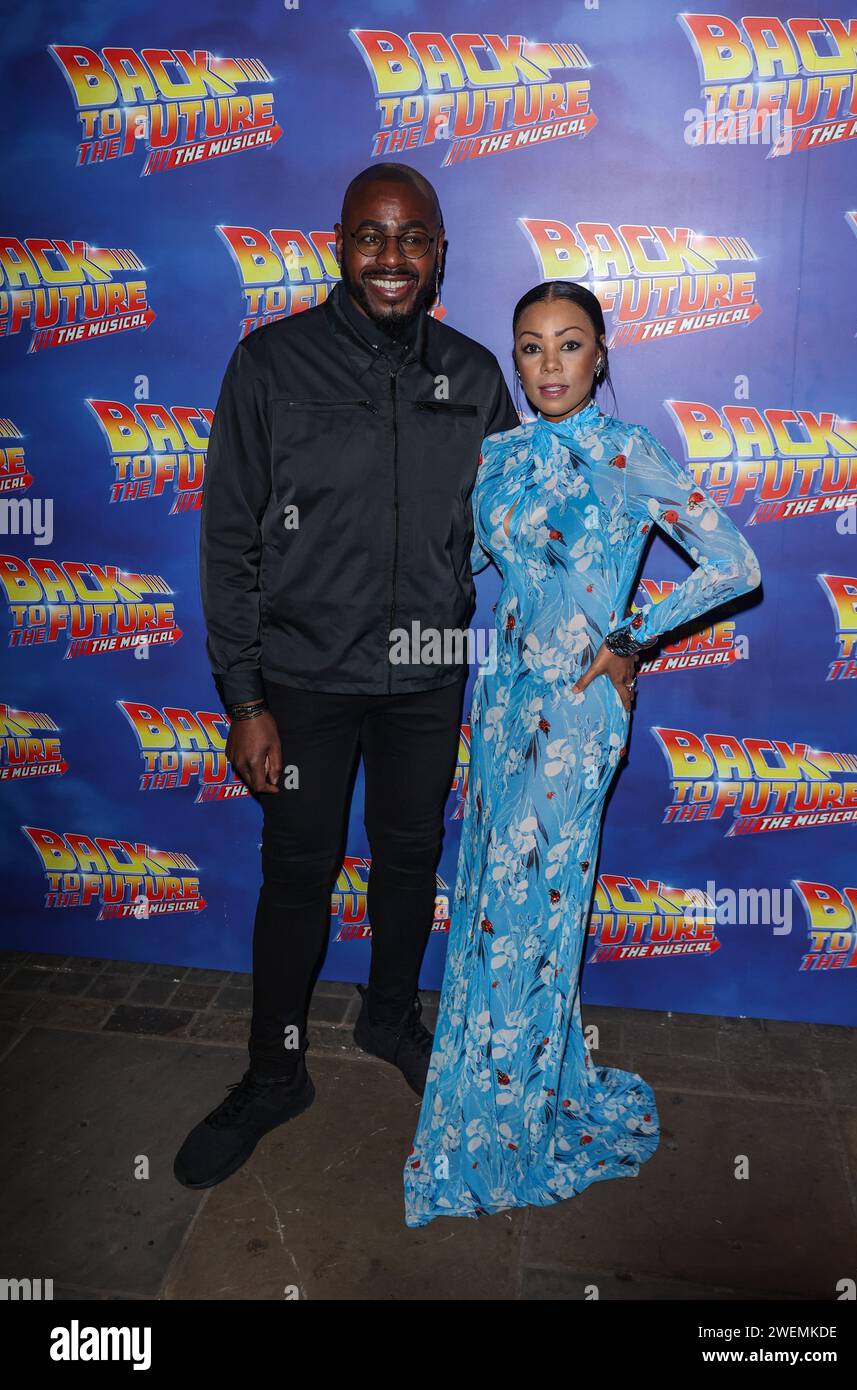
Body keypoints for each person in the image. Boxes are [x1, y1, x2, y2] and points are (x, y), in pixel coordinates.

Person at [174, 163, 519, 1190]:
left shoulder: (473, 375)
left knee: (411, 860)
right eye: (371, 236)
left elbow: (524, 531)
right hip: (303, 676)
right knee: (296, 872)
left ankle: (387, 1019)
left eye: (411, 238)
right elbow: (228, 538)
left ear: (439, 252)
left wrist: (601, 637)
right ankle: (274, 1073)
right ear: (339, 242)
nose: (390, 257)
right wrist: (245, 698)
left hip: (426, 668)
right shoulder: (269, 364)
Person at [403, 281, 762, 1226]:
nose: (549, 365)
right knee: (488, 910)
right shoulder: (499, 458)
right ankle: (488, 1104)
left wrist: (633, 637)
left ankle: (514, 1131)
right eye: (530, 347)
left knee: (538, 922)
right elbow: (470, 571)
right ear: (513, 360)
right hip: (500, 708)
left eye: (569, 345)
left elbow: (734, 563)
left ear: (600, 357)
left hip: (576, 720)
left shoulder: (627, 452)